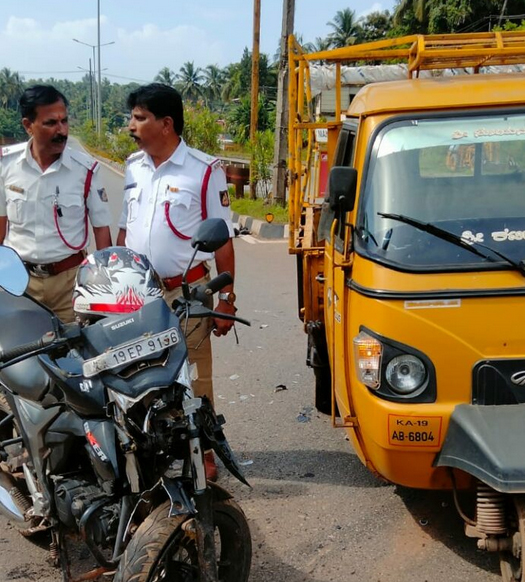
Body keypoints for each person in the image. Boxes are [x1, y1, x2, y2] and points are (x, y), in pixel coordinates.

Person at [117, 83, 236, 480]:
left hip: (188, 290)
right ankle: (152, 449)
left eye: (140, 117)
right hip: (138, 293)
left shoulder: (204, 171)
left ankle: (202, 451)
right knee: (140, 373)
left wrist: (226, 301)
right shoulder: (133, 167)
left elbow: (222, 239)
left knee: (193, 377)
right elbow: (125, 228)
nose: (132, 125)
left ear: (166, 124)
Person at [0, 85, 113, 322]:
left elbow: (101, 230)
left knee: (76, 354)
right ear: (27, 125)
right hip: (20, 283)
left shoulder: (86, 170)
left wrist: (105, 286)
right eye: (51, 123)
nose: (61, 130)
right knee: (23, 354)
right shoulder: (6, 166)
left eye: (64, 121)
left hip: (70, 284)